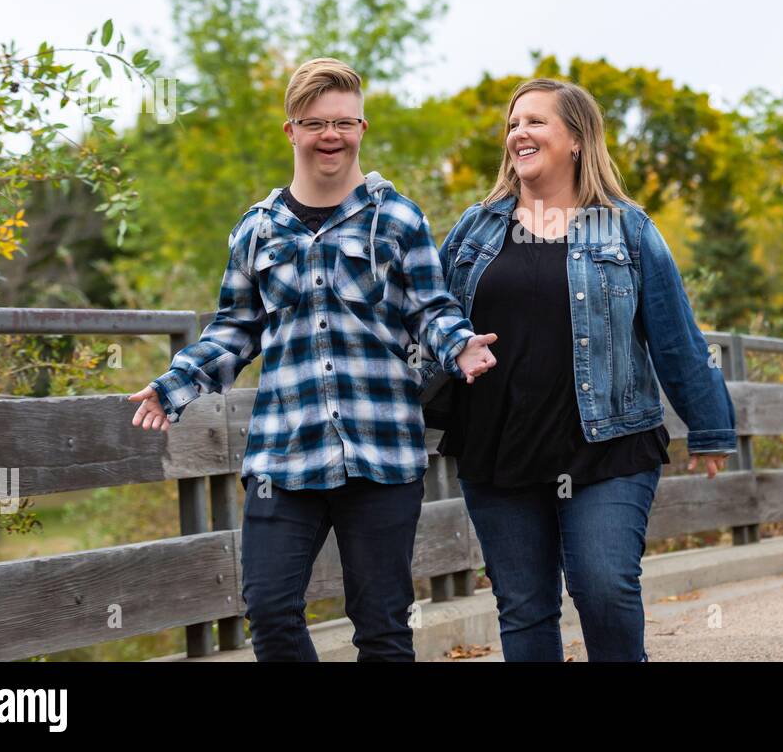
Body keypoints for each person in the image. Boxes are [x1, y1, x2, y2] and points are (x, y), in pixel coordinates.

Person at [128, 58, 497, 660]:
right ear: (291, 130)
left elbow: (430, 307)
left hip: (381, 451)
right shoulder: (257, 230)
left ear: (361, 127)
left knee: (382, 626)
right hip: (284, 455)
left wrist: (459, 344)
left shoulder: (398, 219)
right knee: (269, 611)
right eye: (317, 122)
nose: (333, 136)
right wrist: (177, 384)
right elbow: (235, 328)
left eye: (345, 123)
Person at [421, 77, 736, 661]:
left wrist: (710, 426)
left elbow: (676, 337)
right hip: (497, 446)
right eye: (514, 124)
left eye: (536, 122)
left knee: (604, 588)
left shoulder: (626, 229)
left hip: (606, 444)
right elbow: (429, 315)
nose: (520, 133)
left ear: (577, 139)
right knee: (523, 606)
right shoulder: (477, 226)